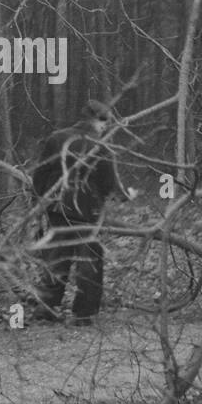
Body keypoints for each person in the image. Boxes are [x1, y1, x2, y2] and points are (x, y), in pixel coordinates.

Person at [27, 99, 135, 324]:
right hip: (88, 212)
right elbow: (108, 182)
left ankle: (46, 310)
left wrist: (37, 204)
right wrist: (125, 196)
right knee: (90, 262)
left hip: (57, 208)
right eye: (105, 122)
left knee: (57, 258)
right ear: (98, 120)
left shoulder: (56, 138)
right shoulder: (101, 145)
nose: (106, 127)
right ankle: (84, 314)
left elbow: (41, 174)